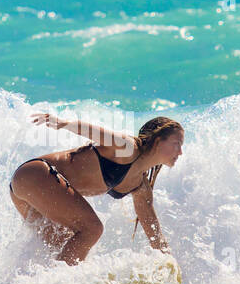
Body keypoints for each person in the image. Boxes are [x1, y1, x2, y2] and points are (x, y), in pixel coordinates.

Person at [9, 111, 184, 265]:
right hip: (36, 174)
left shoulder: (140, 185)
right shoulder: (127, 148)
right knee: (91, 229)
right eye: (176, 143)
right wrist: (62, 123)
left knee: (60, 245)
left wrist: (169, 263)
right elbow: (95, 132)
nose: (180, 151)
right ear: (158, 141)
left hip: (26, 188)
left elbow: (154, 233)